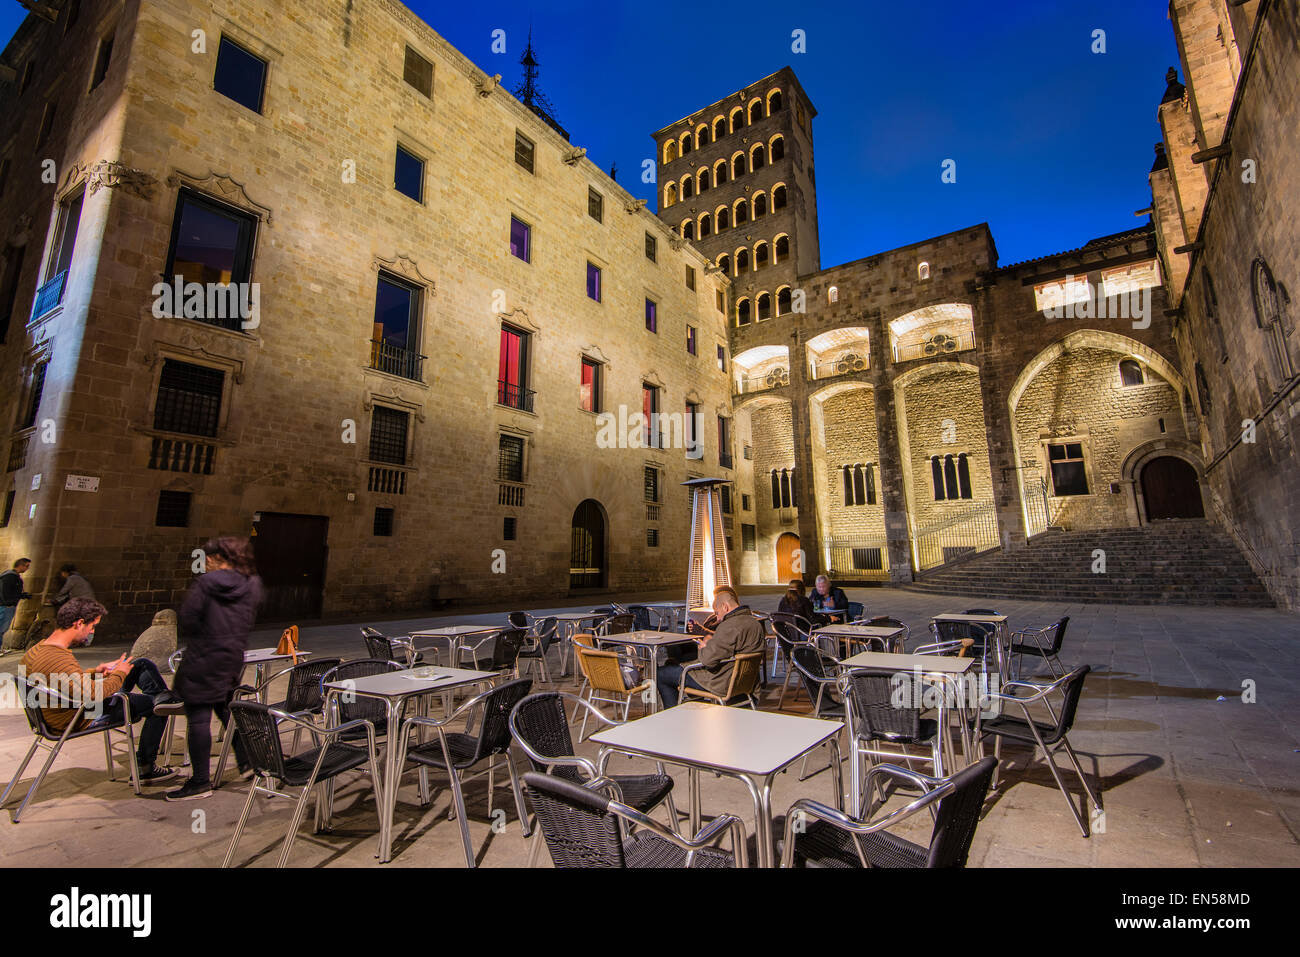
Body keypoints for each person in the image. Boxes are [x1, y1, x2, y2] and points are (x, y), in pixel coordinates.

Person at [20, 597, 182, 783]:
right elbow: (93, 695)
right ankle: (145, 767)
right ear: (79, 623)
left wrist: (95, 672)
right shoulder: (58, 658)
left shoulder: (38, 650)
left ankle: (165, 709)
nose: (92, 632)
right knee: (155, 705)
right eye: (92, 627)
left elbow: (62, 681)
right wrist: (119, 674)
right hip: (80, 717)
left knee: (140, 664)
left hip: (68, 708)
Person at [167, 537, 263, 802]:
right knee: (224, 708)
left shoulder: (206, 584)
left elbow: (188, 619)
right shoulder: (252, 584)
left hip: (204, 658)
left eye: (208, 558)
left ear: (217, 558)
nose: (205, 562)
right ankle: (247, 762)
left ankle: (200, 781)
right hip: (232, 656)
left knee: (198, 719)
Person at [656, 586, 766, 707]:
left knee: (662, 674)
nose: (718, 618)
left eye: (717, 613)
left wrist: (704, 646)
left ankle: (672, 717)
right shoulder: (755, 623)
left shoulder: (729, 626)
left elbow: (707, 661)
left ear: (725, 606)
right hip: (745, 683)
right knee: (677, 665)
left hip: (721, 682)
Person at [0, 557, 32, 647]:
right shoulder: (10, 576)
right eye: (27, 566)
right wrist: (9, 603)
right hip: (6, 606)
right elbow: (5, 592)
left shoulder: (10, 576)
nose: (27, 568)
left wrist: (22, 595)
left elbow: (12, 592)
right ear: (20, 565)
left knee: (2, 629)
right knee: (1, 628)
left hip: (6, 605)